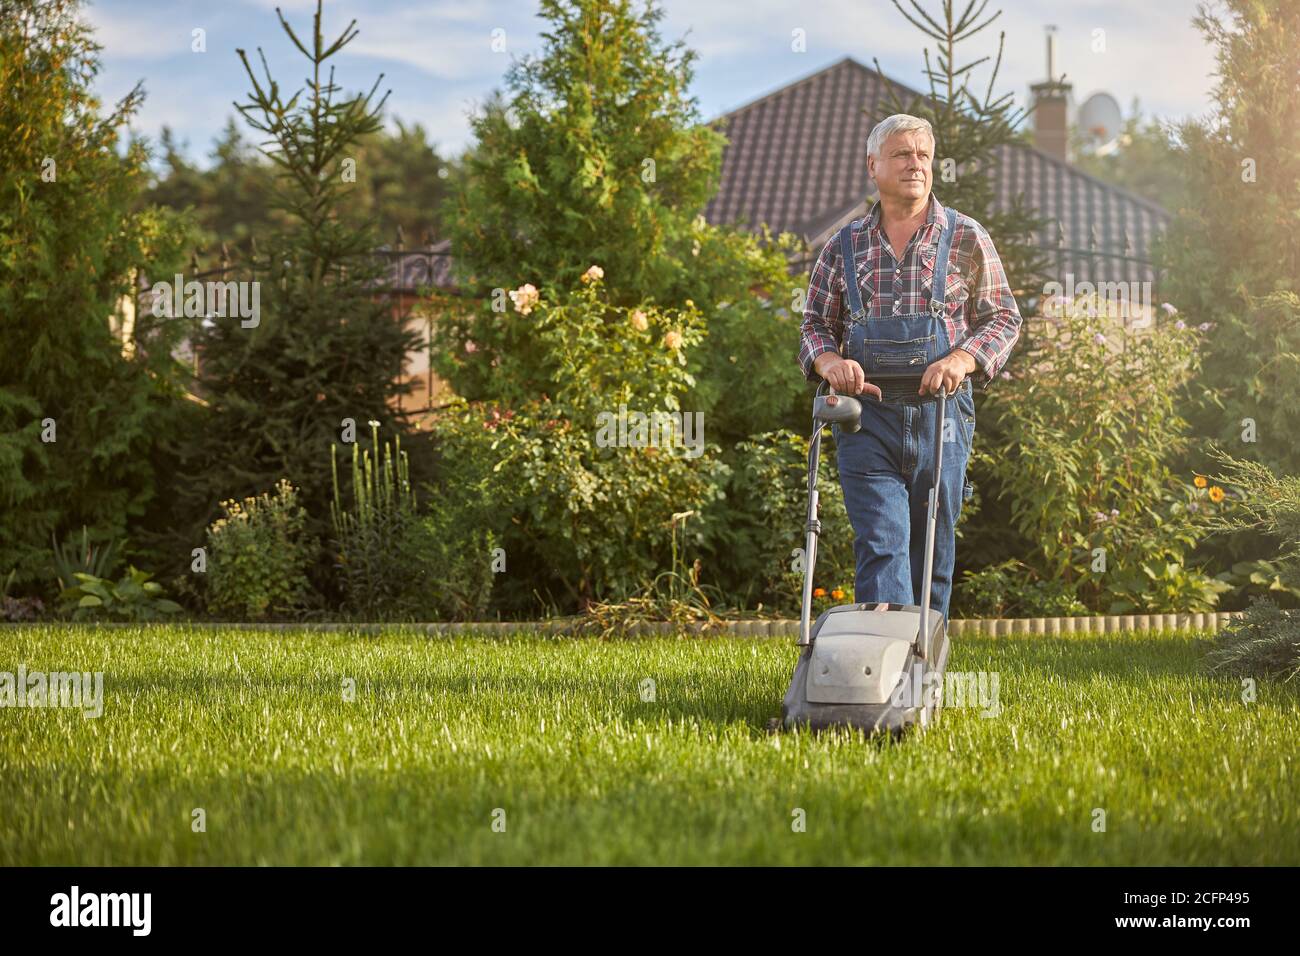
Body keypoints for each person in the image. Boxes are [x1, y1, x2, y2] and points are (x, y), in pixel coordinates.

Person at [797, 113, 1022, 622]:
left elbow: (1005, 318)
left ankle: (925, 670)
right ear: (873, 165)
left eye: (923, 155)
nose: (915, 164)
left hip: (941, 415)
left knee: (932, 550)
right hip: (864, 418)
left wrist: (963, 358)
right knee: (881, 543)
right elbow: (813, 324)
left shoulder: (965, 237)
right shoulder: (844, 245)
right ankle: (882, 673)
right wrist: (829, 359)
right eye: (902, 154)